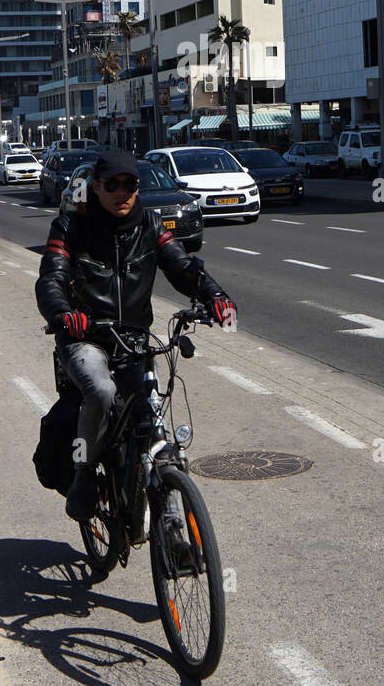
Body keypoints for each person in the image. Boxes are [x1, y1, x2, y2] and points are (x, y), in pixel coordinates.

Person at [35, 148, 237, 525]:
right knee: (101, 391)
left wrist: (215, 296)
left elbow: (182, 266)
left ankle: (169, 511)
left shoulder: (150, 225)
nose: (122, 192)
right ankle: (84, 475)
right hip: (86, 337)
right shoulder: (70, 226)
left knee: (153, 417)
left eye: (130, 185)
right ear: (96, 187)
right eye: (112, 184)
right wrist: (64, 314)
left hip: (135, 340)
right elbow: (51, 278)